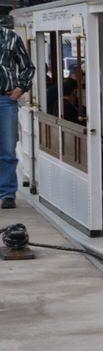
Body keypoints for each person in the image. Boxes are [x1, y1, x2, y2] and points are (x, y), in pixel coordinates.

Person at [0, 17, 35, 210]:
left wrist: (21, 88)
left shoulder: (11, 38)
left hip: (5, 99)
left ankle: (7, 194)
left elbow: (28, 67)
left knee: (7, 148)